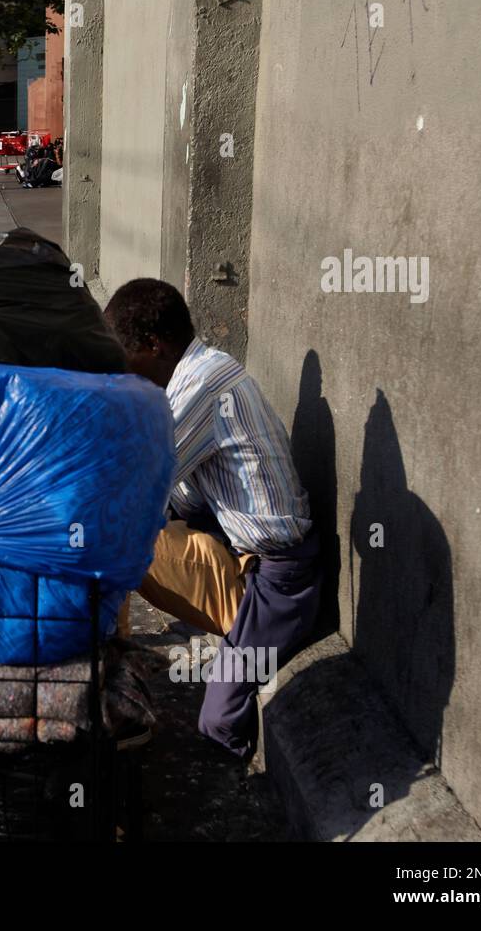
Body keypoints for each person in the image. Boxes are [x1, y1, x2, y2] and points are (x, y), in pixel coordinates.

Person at [104, 279, 321, 760]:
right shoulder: (203, 368)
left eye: (125, 356)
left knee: (217, 720)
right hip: (243, 555)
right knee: (122, 538)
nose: (124, 369)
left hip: (279, 582)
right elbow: (175, 498)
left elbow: (131, 485)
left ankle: (228, 763)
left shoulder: (199, 387)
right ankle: (112, 655)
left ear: (153, 346)